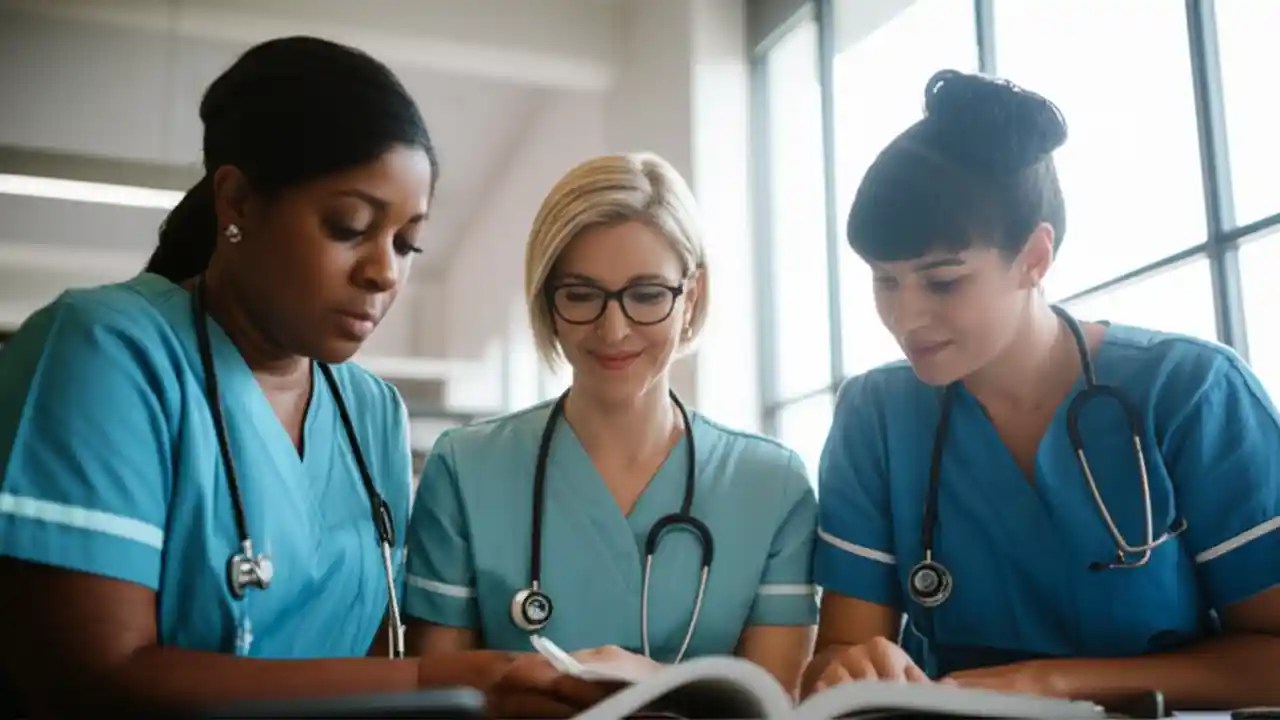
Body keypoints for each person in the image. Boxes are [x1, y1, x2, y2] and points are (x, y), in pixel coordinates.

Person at [0, 36, 607, 718]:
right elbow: (94, 678)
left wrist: (508, 685)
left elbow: (379, 667)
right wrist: (467, 682)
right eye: (350, 226)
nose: (385, 272)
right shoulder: (108, 352)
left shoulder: (372, 412)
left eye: (408, 243)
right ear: (238, 204)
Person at [801, 68, 1280, 710]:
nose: (904, 316)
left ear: (1034, 258)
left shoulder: (1192, 393)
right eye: (884, 282)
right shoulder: (875, 417)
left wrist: (1048, 682)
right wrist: (849, 666)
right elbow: (839, 658)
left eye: (942, 282)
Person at [403, 152, 819, 695]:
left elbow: (772, 706)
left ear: (690, 298)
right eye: (581, 295)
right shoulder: (466, 468)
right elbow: (442, 697)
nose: (614, 329)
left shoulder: (771, 484)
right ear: (547, 300)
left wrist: (658, 687)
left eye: (647, 295)